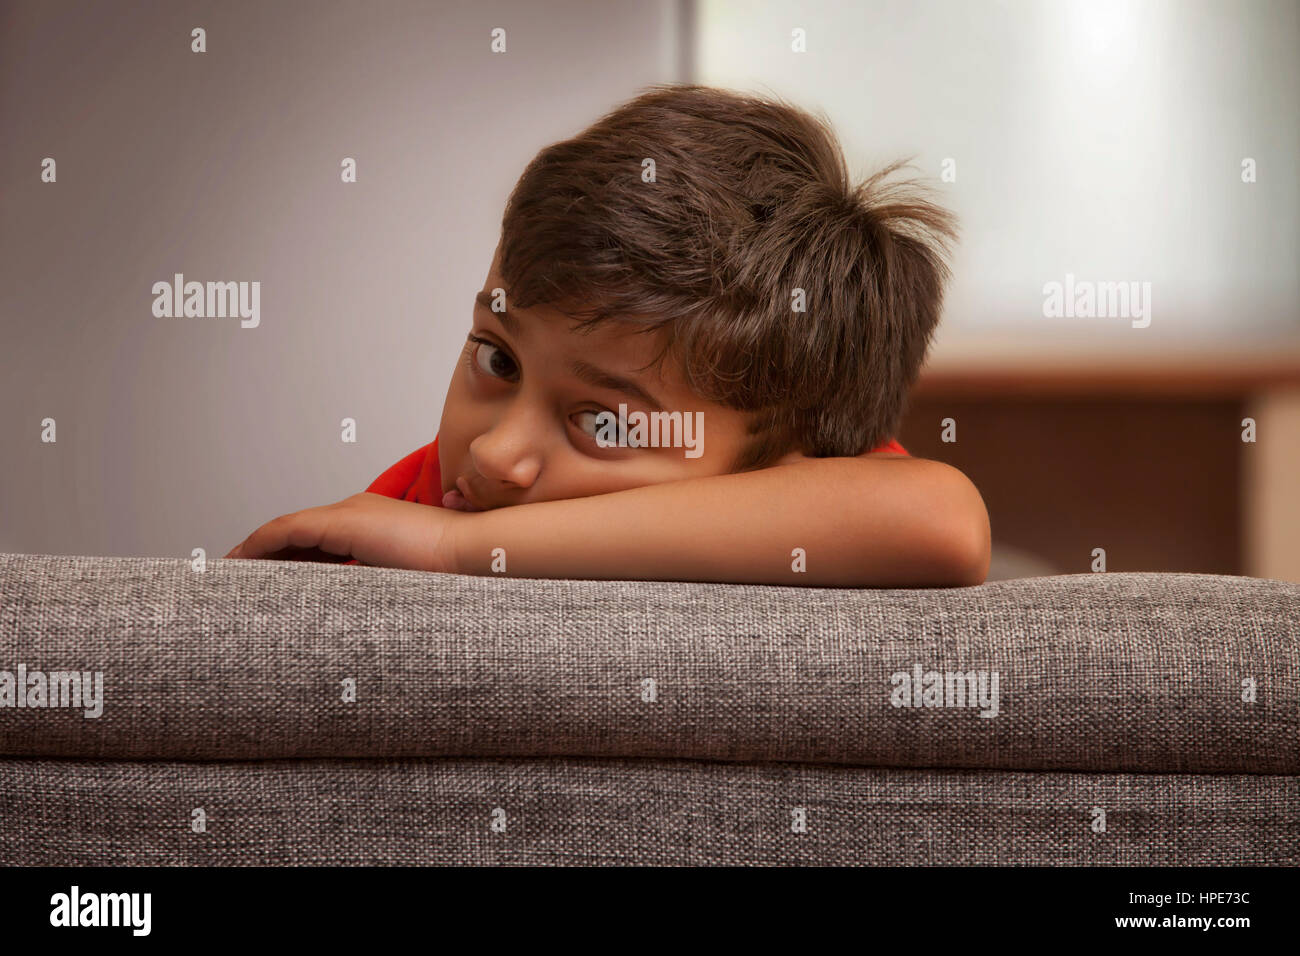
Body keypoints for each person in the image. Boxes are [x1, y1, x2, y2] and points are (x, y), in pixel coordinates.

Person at [227, 84, 989, 587]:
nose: (494, 453)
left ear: (790, 468)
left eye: (600, 421)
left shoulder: (439, 533)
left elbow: (942, 523)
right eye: (498, 357)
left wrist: (451, 551)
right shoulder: (403, 514)